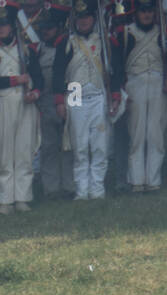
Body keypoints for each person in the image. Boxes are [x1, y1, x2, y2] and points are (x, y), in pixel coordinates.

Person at [0, 0, 44, 213]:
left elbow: (39, 78)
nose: (1, 28)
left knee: (24, 150)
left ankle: (23, 197)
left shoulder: (26, 51)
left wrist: (35, 92)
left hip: (25, 103)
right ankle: (5, 200)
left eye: (5, 24)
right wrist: (16, 80)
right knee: (5, 151)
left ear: (12, 26)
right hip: (2, 101)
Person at [54, 0, 117, 198]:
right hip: (74, 92)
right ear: (75, 19)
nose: (84, 21)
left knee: (99, 146)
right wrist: (59, 101)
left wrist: (114, 96)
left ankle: (97, 188)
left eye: (87, 17)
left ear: (93, 18)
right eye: (80, 17)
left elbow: (116, 70)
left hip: (98, 93)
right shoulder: (66, 42)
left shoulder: (105, 41)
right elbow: (57, 73)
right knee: (79, 147)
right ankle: (81, 190)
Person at [112, 0, 167, 191]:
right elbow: (118, 66)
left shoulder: (163, 33)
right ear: (136, 13)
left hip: (158, 84)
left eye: (149, 11)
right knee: (137, 134)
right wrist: (120, 92)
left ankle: (154, 180)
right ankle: (136, 180)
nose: (146, 15)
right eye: (143, 11)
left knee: (156, 134)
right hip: (134, 84)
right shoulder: (125, 34)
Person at [36, 4, 76, 199]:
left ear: (60, 27)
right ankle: (51, 189)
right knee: (49, 147)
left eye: (50, 28)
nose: (46, 32)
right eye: (43, 28)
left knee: (69, 145)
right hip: (46, 101)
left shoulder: (69, 46)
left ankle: (70, 186)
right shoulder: (38, 49)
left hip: (69, 98)